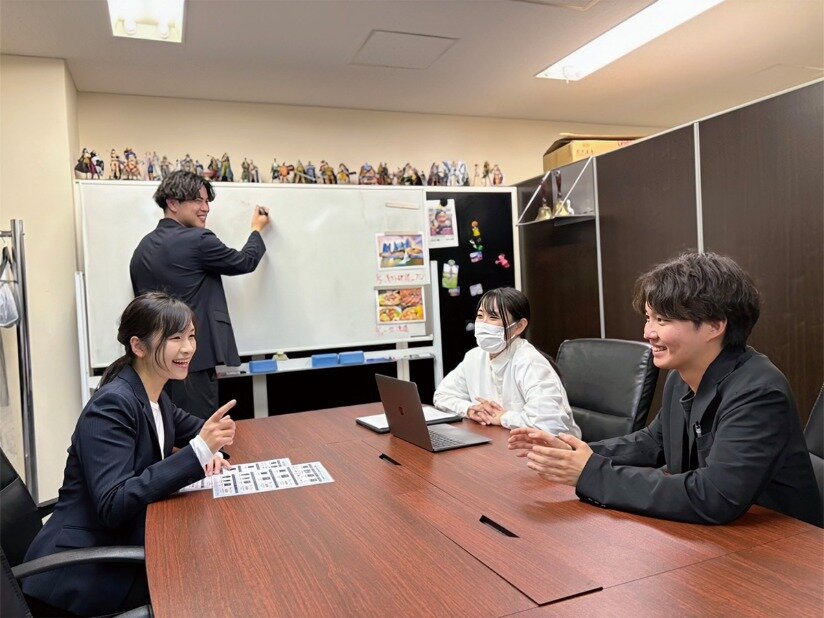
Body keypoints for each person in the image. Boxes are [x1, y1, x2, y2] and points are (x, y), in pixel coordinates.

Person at [509, 252, 823, 527]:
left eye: (662, 320)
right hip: (717, 537)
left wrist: (591, 473)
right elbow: (653, 442)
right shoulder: (680, 376)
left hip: (782, 547)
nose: (648, 332)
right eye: (649, 318)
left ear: (715, 326)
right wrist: (576, 452)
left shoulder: (758, 393)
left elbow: (714, 496)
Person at [22, 293, 237, 615]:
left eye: (191, 336)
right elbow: (113, 504)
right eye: (175, 338)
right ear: (138, 346)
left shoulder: (155, 398)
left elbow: (202, 431)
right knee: (209, 582)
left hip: (124, 542)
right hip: (83, 568)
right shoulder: (112, 405)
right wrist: (200, 450)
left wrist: (211, 447)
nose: (188, 348)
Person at [130, 170, 270, 418]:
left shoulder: (143, 248)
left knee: (166, 429)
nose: (205, 208)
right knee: (199, 431)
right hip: (191, 361)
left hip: (154, 364)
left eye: (207, 201)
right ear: (173, 203)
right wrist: (257, 230)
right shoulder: (198, 240)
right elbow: (244, 262)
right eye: (197, 200)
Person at [433, 287, 580, 437]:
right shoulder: (474, 357)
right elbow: (442, 396)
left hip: (554, 447)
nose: (483, 324)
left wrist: (503, 417)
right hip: (500, 440)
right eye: (480, 316)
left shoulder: (530, 362)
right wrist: (470, 409)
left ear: (519, 326)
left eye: (493, 317)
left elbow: (549, 425)